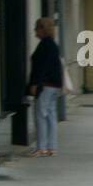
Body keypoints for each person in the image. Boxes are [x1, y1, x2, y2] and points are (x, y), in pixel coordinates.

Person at [27, 18, 63, 157]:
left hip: (45, 85)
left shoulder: (44, 45)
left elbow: (41, 67)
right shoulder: (53, 45)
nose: (35, 31)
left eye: (37, 28)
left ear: (43, 29)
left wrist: (35, 83)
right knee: (51, 115)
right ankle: (51, 147)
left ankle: (41, 147)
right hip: (54, 85)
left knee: (41, 115)